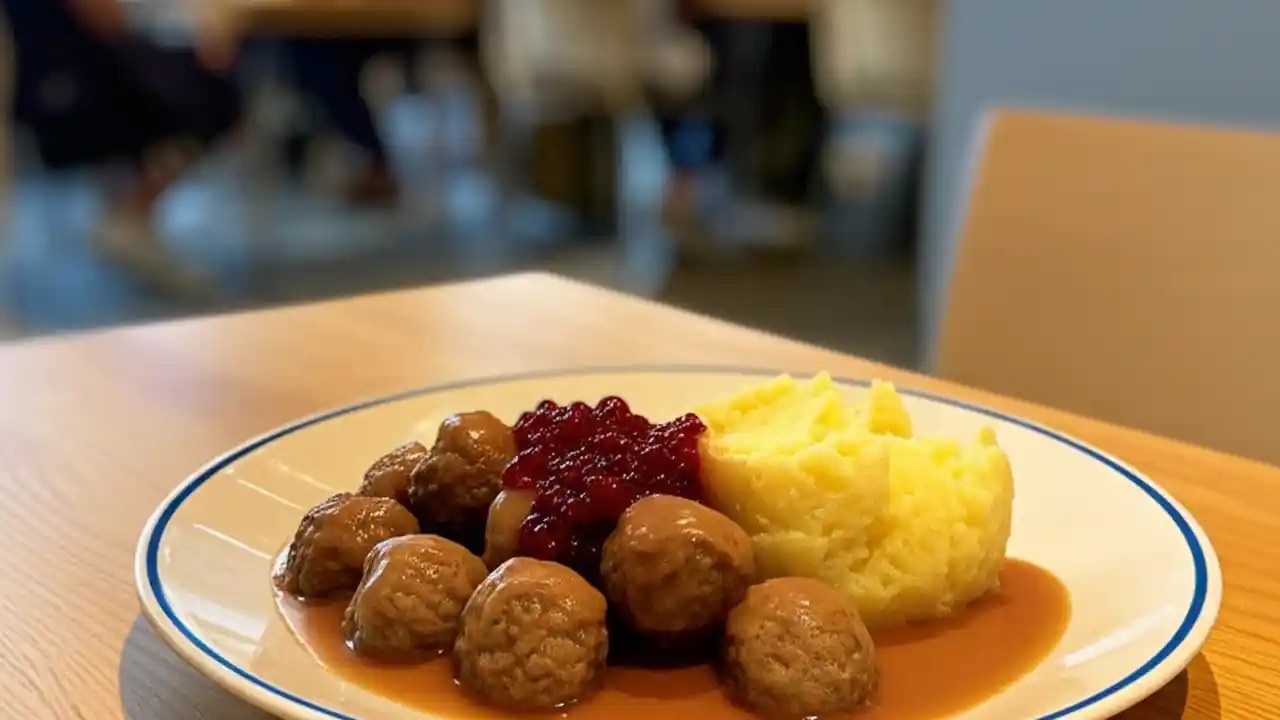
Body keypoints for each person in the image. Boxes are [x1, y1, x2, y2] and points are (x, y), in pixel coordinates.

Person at [3, 0, 241, 291]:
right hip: (71, 90)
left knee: (201, 82)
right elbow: (111, 20)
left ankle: (130, 214)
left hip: (63, 78)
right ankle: (131, 213)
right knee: (215, 95)